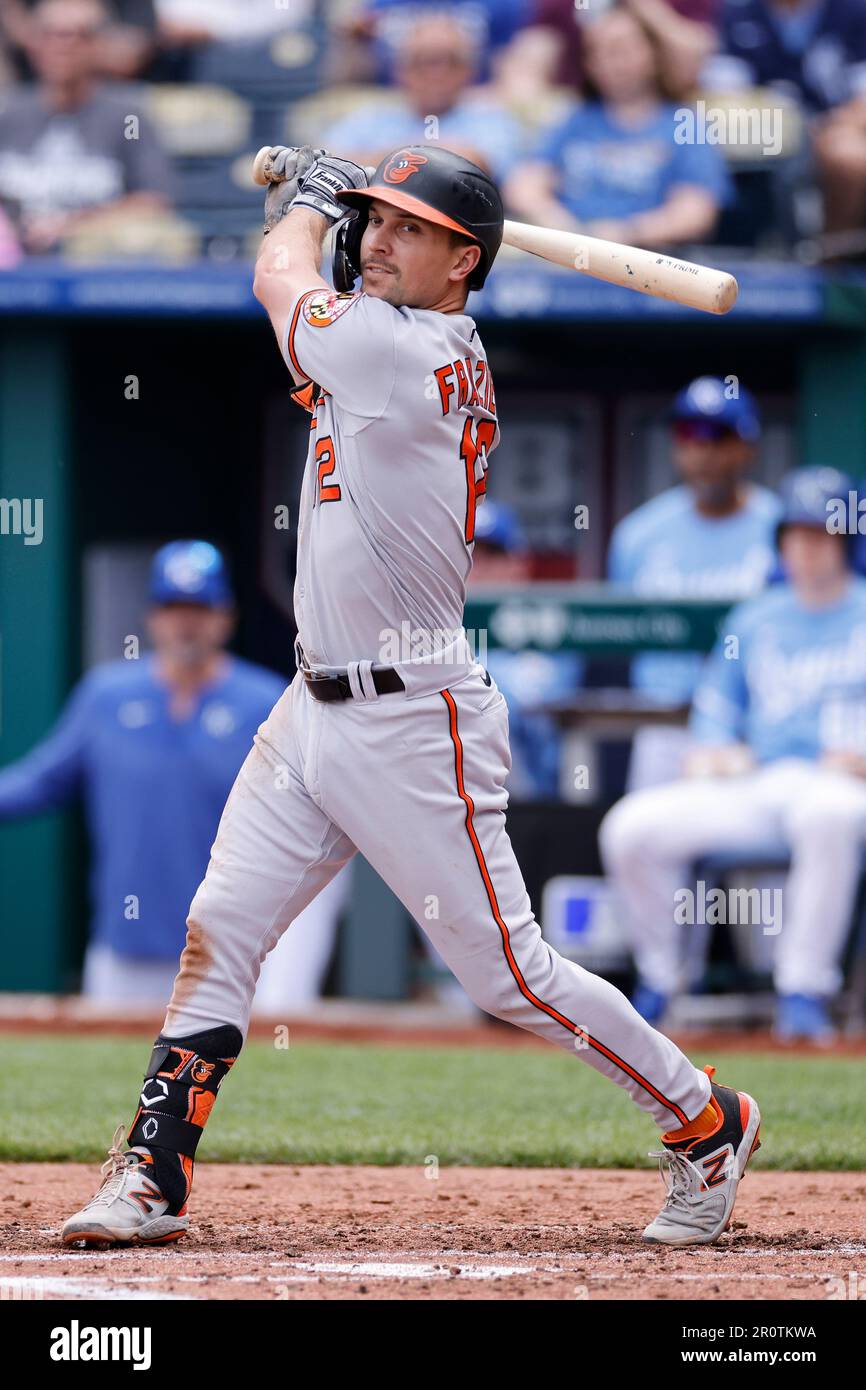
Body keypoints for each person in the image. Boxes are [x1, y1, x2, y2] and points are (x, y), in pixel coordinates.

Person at [60, 143, 761, 1253]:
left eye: (407, 229)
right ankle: (149, 1177)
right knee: (219, 926)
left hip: (411, 714)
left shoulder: (400, 347)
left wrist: (301, 205)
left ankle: (705, 1120)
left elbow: (277, 279)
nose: (376, 239)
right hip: (310, 706)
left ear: (460, 264)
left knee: (503, 973)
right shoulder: (388, 335)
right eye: (373, 220)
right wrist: (336, 205)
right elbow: (315, 289)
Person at [601, 466, 866, 1040]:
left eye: (822, 534)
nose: (808, 549)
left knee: (830, 814)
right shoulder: (755, 618)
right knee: (632, 827)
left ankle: (804, 990)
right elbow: (713, 719)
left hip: (842, 788)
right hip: (762, 784)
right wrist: (719, 753)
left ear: (848, 540)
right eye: (796, 536)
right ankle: (661, 982)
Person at [0, 542, 287, 1002]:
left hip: (234, 950)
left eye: (199, 607)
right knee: (112, 1073)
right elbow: (40, 782)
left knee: (235, 1073)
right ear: (153, 617)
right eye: (173, 607)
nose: (186, 622)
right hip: (126, 948)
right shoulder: (106, 695)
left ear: (225, 617)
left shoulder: (267, 700)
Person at [608, 376, 780, 708]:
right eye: (687, 434)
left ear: (748, 447)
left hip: (755, 717)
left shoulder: (781, 531)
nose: (701, 452)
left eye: (717, 436)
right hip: (659, 715)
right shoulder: (638, 535)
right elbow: (615, 639)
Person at [505, 5, 730, 247]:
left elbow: (695, 211)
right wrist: (560, 224)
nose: (608, 63)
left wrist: (626, 233)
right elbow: (524, 186)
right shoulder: (574, 119)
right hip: (571, 258)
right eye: (595, 52)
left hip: (651, 263)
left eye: (620, 50)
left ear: (654, 54)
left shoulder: (685, 124)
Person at [0, 0, 172, 256]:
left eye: (80, 35)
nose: (63, 45)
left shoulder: (128, 118)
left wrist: (72, 226)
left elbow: (152, 201)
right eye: (50, 34)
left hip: (97, 266)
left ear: (100, 45)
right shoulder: (7, 114)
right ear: (33, 44)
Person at [323, 14, 524, 185]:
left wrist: (378, 161)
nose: (436, 73)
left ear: (469, 71)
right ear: (400, 72)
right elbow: (330, 164)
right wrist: (435, 155)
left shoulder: (491, 118)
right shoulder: (371, 118)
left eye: (450, 61)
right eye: (422, 61)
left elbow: (476, 166)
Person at [470, 500, 583, 800]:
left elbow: (531, 705)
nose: (477, 569)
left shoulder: (545, 627)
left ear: (519, 563)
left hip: (530, 799)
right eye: (469, 555)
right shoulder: (430, 633)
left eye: (491, 555)